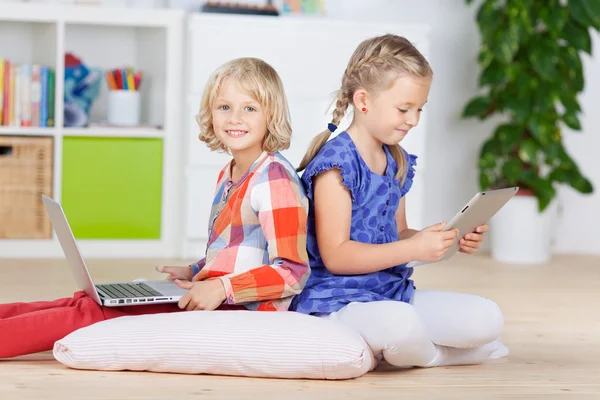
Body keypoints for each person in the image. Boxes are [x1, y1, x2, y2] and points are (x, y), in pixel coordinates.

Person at [0, 57, 310, 359]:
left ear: (271, 115)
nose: (235, 118)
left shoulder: (274, 179)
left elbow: (292, 272)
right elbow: (236, 250)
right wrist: (195, 270)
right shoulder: (230, 172)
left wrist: (220, 288)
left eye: (250, 108)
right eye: (225, 107)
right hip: (218, 294)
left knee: (93, 314)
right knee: (83, 300)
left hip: (243, 308)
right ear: (211, 113)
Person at [290, 34, 508, 368]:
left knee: (487, 319)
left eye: (419, 109)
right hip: (337, 299)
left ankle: (401, 350)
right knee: (401, 327)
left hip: (390, 292)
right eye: (404, 109)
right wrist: (412, 250)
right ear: (363, 102)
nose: (413, 120)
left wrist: (443, 237)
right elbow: (336, 256)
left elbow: (400, 235)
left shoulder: (396, 160)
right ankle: (435, 356)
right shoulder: (336, 164)